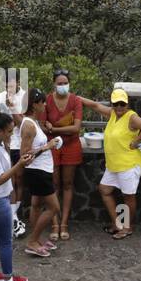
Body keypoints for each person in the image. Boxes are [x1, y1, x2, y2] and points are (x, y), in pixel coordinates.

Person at [79, 88, 141, 240]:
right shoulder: (113, 113)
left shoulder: (131, 117)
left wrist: (136, 141)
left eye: (122, 103)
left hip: (128, 164)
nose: (119, 107)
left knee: (128, 197)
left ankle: (127, 227)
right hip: (114, 164)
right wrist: (76, 98)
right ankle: (117, 223)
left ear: (127, 103)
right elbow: (95, 105)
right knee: (104, 190)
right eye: (116, 104)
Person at [0, 108, 37, 281]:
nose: (11, 135)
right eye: (9, 132)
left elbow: (4, 170)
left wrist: (21, 160)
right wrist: (20, 164)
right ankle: (9, 280)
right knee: (5, 241)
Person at [19, 88, 62, 258]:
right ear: (34, 104)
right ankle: (32, 241)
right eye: (42, 102)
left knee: (36, 205)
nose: (44, 104)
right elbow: (24, 155)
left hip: (41, 170)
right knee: (53, 208)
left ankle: (36, 240)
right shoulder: (29, 125)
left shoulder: (34, 122)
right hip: (37, 172)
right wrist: (47, 146)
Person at [43, 68, 83, 241]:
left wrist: (56, 129)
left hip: (71, 145)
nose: (62, 86)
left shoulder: (75, 100)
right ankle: (54, 223)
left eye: (65, 83)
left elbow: (76, 128)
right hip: (52, 146)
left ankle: (64, 223)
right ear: (54, 84)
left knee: (67, 183)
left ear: (69, 83)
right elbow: (44, 126)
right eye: (59, 84)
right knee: (53, 184)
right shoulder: (47, 100)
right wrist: (52, 130)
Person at [0, 76, 29, 238]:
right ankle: (13, 218)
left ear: (18, 84)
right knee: (10, 180)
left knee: (20, 179)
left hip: (20, 143)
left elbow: (25, 124)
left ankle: (14, 214)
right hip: (5, 144)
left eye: (12, 85)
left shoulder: (25, 96)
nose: (9, 88)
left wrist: (13, 107)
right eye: (7, 85)